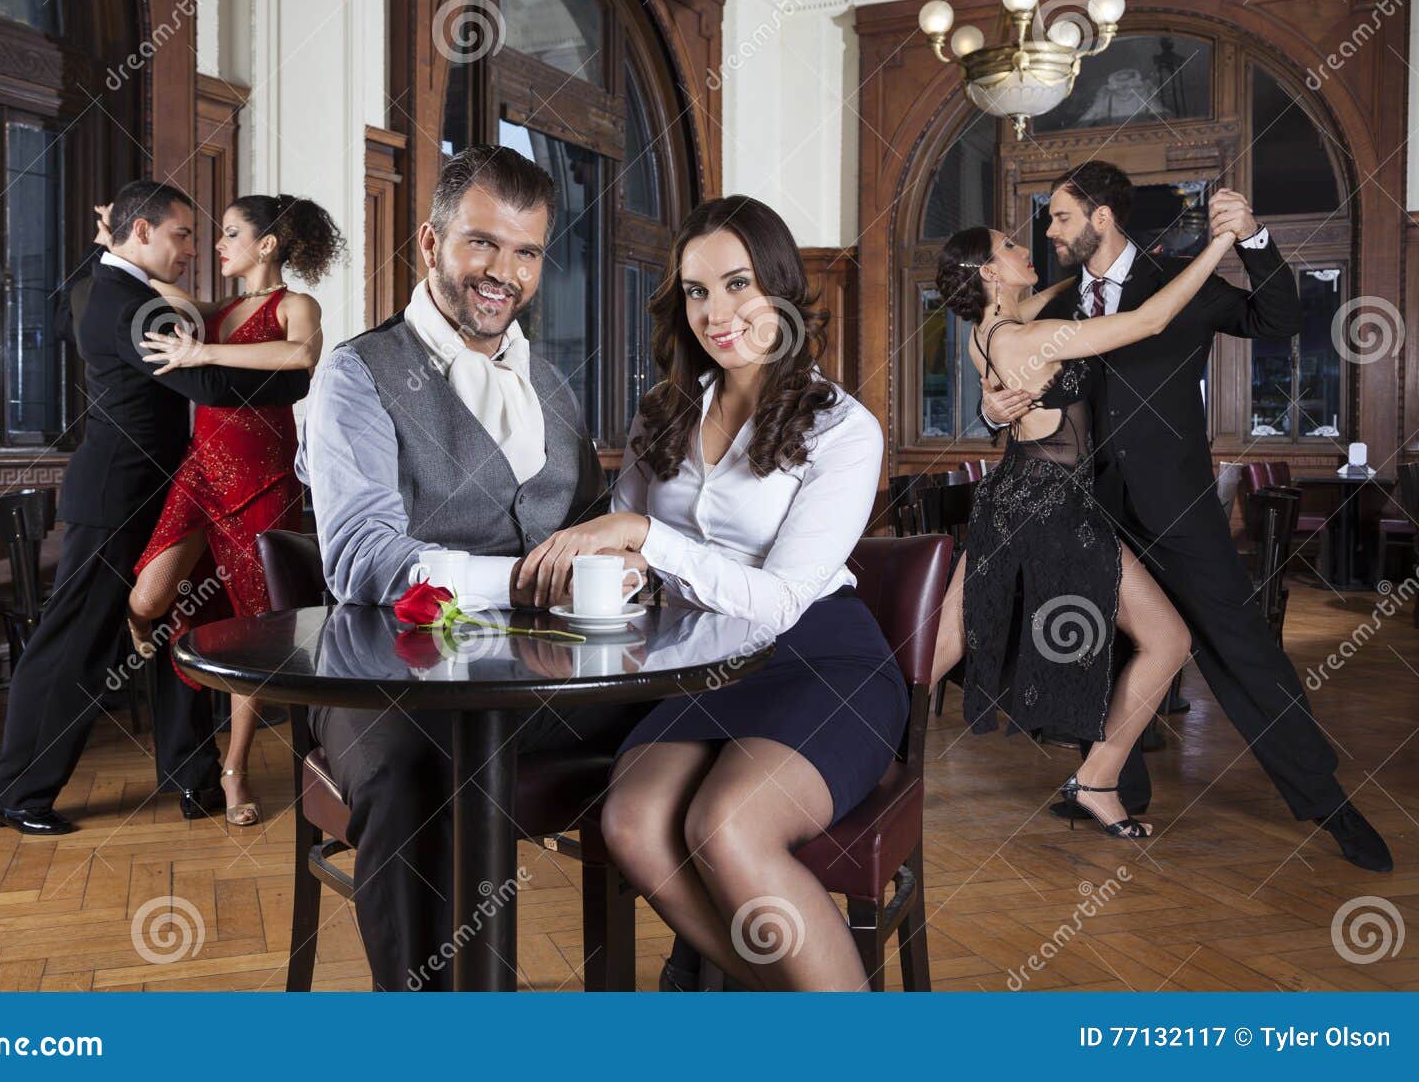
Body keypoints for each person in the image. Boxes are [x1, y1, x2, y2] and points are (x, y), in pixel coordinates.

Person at [521, 196, 907, 991]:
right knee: (630, 821)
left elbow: (776, 601)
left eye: (737, 285)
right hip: (696, 666)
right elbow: (633, 550)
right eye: (697, 291)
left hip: (819, 659)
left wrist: (644, 538)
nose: (716, 312)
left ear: (781, 290)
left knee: (726, 826)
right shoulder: (664, 412)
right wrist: (626, 565)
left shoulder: (844, 427)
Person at [295, 146, 648, 989]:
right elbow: (362, 560)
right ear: (429, 243)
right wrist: (535, 577)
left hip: (537, 682)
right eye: (481, 244)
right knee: (412, 775)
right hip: (387, 678)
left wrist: (622, 561)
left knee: (699, 737)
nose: (505, 273)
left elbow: (592, 527)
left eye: (526, 252)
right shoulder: (356, 373)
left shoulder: (552, 388)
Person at [983, 161, 1391, 872]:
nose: (1049, 232)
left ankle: (1326, 800)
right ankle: (1110, 787)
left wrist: (1254, 240)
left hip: (1179, 508)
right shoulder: (1053, 306)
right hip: (1087, 509)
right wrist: (991, 408)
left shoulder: (1177, 283)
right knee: (1089, 646)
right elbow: (1005, 369)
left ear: (1102, 218)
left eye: (1061, 217)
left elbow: (1280, 318)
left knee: (1242, 650)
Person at [0, 181, 311, 835]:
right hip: (118, 496)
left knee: (177, 630)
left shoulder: (120, 291)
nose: (193, 247)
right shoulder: (131, 305)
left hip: (169, 492)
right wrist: (296, 375)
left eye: (199, 235)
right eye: (182, 234)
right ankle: (17, 792)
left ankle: (191, 776)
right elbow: (208, 383)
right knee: (72, 645)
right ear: (141, 234)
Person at [930, 221, 1238, 838]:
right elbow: (1149, 320)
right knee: (1170, 641)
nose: (1025, 248)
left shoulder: (983, 334)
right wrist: (1218, 247)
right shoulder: (1031, 339)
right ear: (990, 271)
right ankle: (1097, 783)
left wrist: (1107, 260)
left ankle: (842, 746)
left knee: (942, 646)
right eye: (1009, 247)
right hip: (1054, 508)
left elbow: (1060, 292)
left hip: (1012, 497)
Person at [121, 194, 341, 827]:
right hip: (201, 471)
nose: (217, 245)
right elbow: (155, 285)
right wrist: (112, 238)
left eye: (231, 233)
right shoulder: (217, 309)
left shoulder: (295, 305)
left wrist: (203, 354)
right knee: (148, 598)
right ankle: (159, 653)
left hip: (264, 479)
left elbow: (300, 356)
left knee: (253, 630)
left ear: (267, 244)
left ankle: (234, 768)